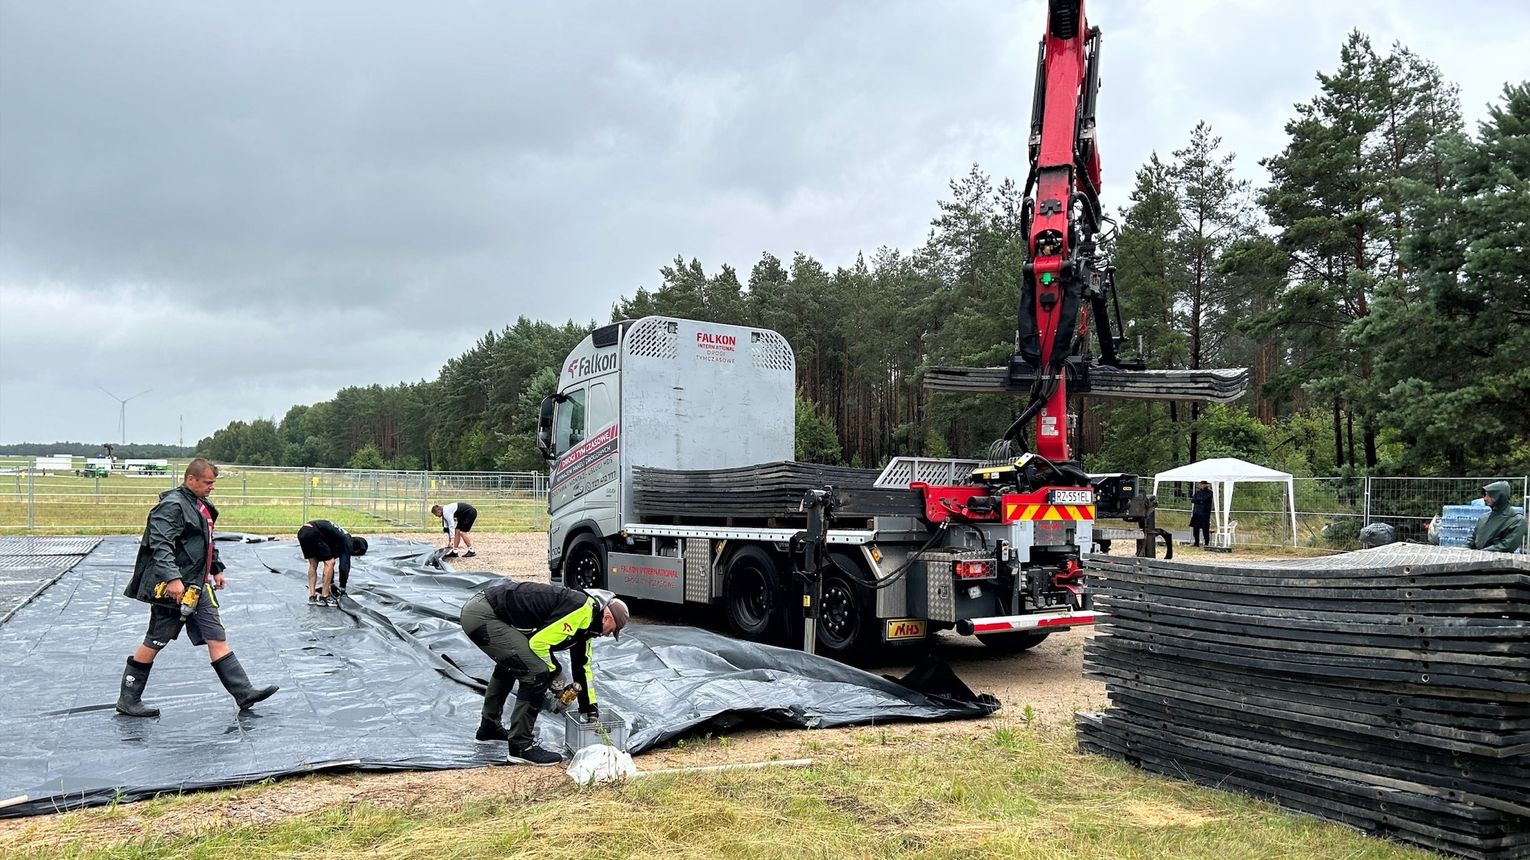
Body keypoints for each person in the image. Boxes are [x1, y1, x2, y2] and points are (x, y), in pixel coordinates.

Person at [115, 458, 279, 717]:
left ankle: (243, 692)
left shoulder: (200, 506)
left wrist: (216, 568)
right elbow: (160, 544)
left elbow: (206, 541)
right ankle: (128, 698)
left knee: (216, 636)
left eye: (213, 483)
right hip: (174, 589)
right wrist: (172, 578)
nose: (212, 487)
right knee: (156, 640)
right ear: (191, 479)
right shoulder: (172, 506)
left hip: (198, 586)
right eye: (208, 482)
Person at [459, 581, 629, 766]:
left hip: (486, 611)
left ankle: (489, 729)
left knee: (513, 664)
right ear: (607, 618)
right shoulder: (581, 610)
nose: (606, 635)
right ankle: (521, 747)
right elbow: (538, 643)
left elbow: (582, 666)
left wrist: (590, 708)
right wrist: (554, 671)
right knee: (536, 673)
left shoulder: (588, 625)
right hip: (482, 616)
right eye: (611, 631)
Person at [297, 519, 368, 604]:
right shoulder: (347, 541)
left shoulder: (339, 538)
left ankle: (312, 597)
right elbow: (344, 566)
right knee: (330, 562)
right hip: (314, 532)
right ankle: (325, 597)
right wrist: (343, 588)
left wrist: (331, 583)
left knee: (313, 564)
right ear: (356, 550)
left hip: (303, 532)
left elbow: (329, 557)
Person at [1469, 481, 1526, 552]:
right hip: (1476, 558)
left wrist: (1481, 553)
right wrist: (1464, 549)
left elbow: (1507, 546)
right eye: (1485, 495)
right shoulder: (1484, 517)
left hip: (1499, 561)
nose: (1485, 498)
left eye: (1489, 495)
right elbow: (1473, 539)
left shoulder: (1516, 520)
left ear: (1499, 496)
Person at [1189, 480, 1214, 548]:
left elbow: (1205, 500)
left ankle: (1206, 542)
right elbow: (1193, 500)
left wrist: (1199, 501)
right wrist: (1199, 501)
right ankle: (1196, 542)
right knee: (1195, 528)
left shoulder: (1209, 492)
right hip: (1197, 512)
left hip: (1204, 513)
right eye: (1201, 484)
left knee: (1205, 529)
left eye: (1203, 484)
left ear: (1206, 485)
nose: (1201, 485)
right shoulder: (1198, 492)